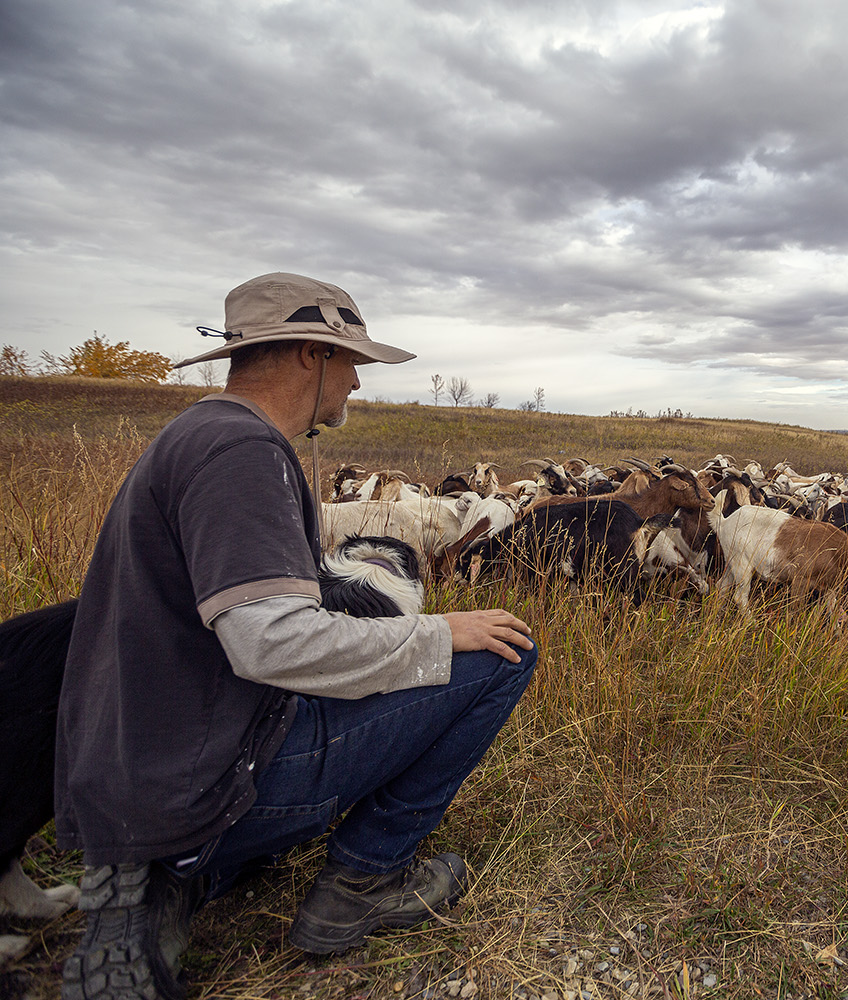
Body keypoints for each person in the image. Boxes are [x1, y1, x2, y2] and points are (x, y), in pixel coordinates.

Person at [55, 273, 538, 1000]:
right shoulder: (240, 452)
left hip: (148, 766)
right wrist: (433, 633)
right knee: (505, 652)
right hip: (211, 778)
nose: (355, 382)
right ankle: (362, 879)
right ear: (311, 354)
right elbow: (270, 643)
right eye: (350, 362)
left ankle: (180, 875)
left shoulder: (193, 433)